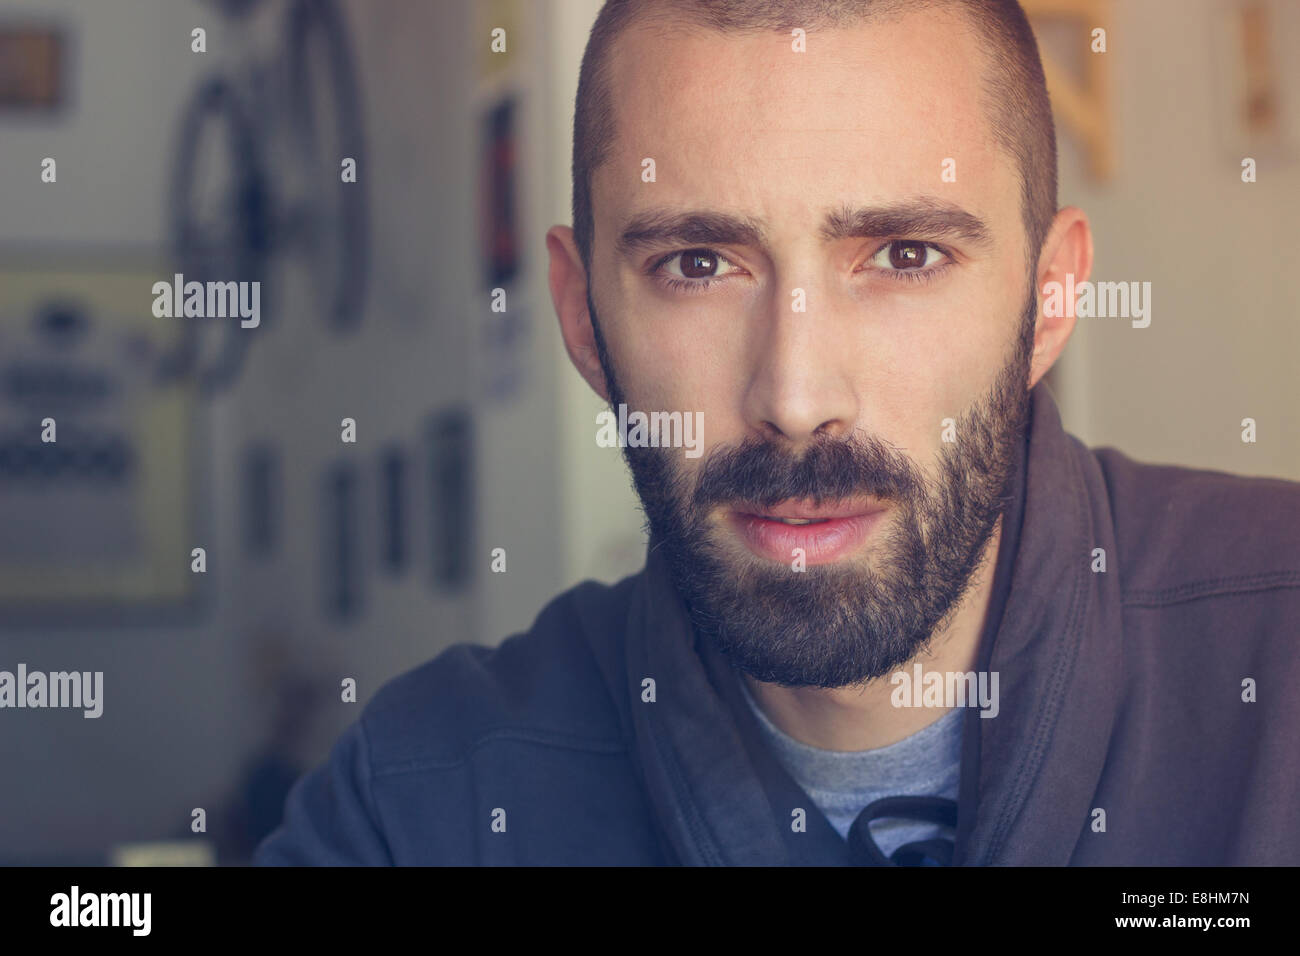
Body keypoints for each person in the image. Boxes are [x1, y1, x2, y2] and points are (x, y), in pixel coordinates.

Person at [255, 0, 1300, 866]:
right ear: (580, 315)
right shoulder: (423, 800)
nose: (795, 398)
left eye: (903, 255)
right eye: (697, 265)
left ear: (1052, 293)